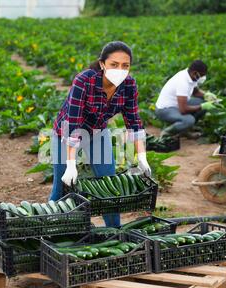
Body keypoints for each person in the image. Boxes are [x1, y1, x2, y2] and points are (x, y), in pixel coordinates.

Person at [50, 41, 151, 227]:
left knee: (109, 186)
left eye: (125, 65)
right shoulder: (84, 80)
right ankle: (48, 227)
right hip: (66, 133)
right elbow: (73, 123)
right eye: (114, 64)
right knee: (62, 185)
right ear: (103, 64)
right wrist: (71, 164)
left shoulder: (129, 85)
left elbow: (134, 122)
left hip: (97, 132)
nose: (120, 69)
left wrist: (142, 156)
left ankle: (115, 232)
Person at [155, 60, 217, 139]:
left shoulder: (190, 76)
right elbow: (183, 109)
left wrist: (206, 95)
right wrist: (202, 106)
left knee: (203, 102)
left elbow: (195, 91)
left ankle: (184, 130)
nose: (203, 78)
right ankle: (167, 132)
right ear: (195, 73)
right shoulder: (183, 82)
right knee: (189, 120)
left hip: (176, 105)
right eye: (202, 75)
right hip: (164, 110)